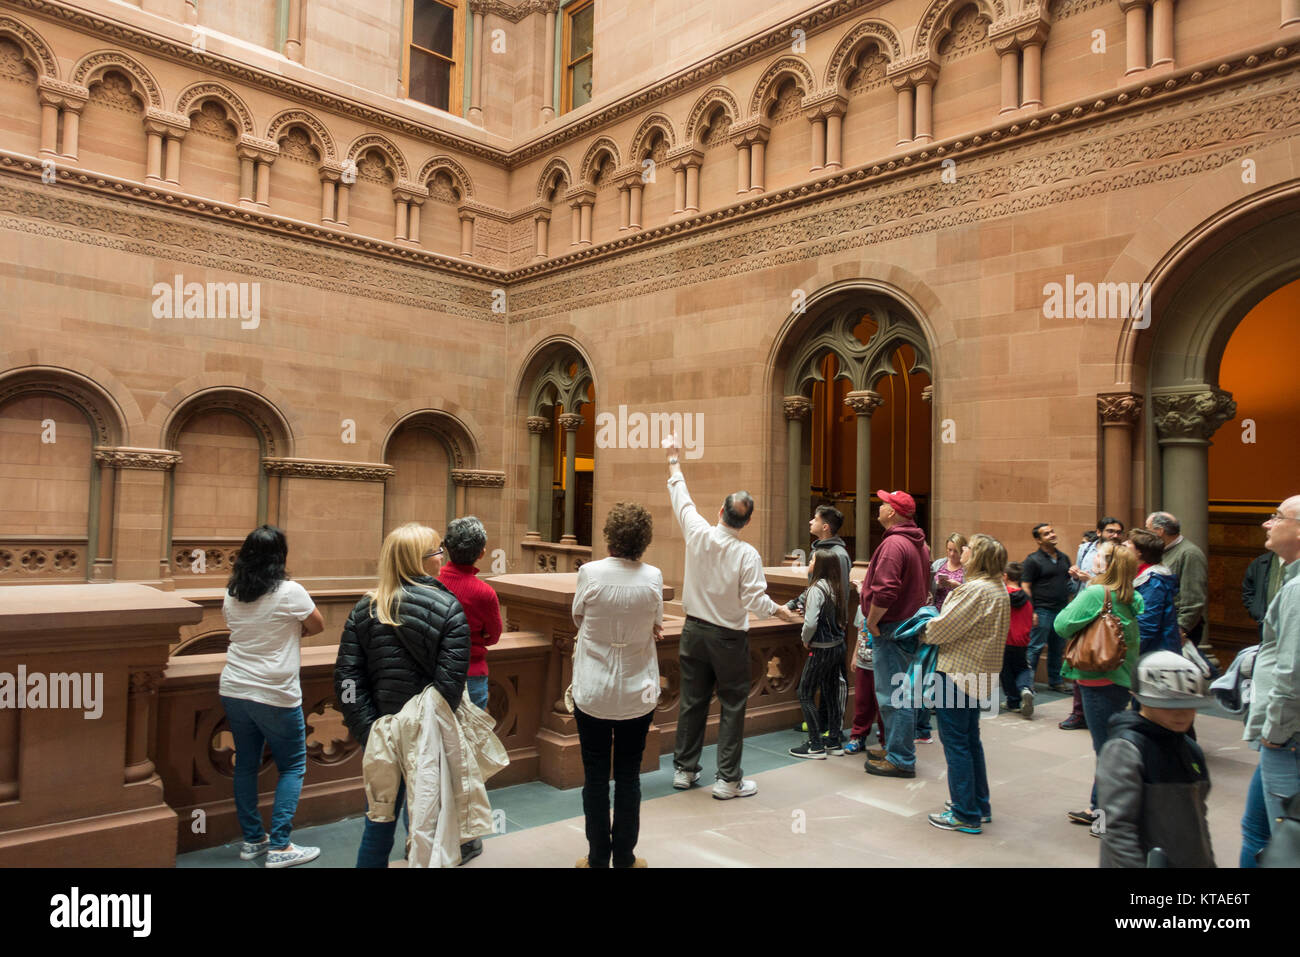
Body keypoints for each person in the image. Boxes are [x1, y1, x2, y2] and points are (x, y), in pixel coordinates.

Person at [665, 435, 800, 799]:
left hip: (693, 631)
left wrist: (674, 459)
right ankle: (727, 780)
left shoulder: (697, 533)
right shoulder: (748, 555)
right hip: (727, 638)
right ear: (747, 520)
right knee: (733, 704)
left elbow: (681, 498)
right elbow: (756, 601)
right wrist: (781, 611)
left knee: (692, 701)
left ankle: (684, 770)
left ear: (721, 513)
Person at [335, 522, 471, 867]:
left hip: (380, 731)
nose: (442, 558)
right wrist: (422, 727)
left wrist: (367, 728)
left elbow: (347, 681)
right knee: (425, 819)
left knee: (379, 819)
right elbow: (450, 687)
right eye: (437, 552)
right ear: (421, 561)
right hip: (426, 736)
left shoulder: (364, 607)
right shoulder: (449, 608)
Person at [219, 525, 325, 868]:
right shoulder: (291, 592)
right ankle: (280, 846)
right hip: (275, 692)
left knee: (246, 765)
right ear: (281, 556)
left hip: (234, 687)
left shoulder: (232, 592)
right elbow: (318, 625)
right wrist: (290, 634)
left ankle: (253, 841)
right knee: (292, 764)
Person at [570, 502, 664, 868]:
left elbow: (579, 616)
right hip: (638, 691)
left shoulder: (590, 573)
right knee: (628, 774)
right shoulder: (653, 576)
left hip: (593, 691)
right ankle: (624, 858)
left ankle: (597, 859)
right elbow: (657, 621)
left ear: (610, 537)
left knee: (594, 777)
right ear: (643, 541)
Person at [1095, 650, 1216, 868]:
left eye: (1189, 705)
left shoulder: (1190, 748)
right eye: (1168, 705)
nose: (1181, 714)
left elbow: (1199, 819)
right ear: (1139, 698)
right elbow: (1113, 828)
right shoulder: (1124, 750)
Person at [923, 534, 1010, 833]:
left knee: (956, 743)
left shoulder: (973, 590)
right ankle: (978, 804)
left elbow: (941, 630)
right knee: (971, 740)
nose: (963, 551)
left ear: (979, 556)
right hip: (981, 674)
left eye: (968, 548)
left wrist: (921, 626)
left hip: (957, 674)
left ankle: (964, 813)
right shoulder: (998, 588)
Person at [1054, 542, 1143, 829]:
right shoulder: (1133, 595)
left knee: (1106, 750)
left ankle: (1108, 819)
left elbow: (1061, 624)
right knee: (1109, 746)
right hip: (1122, 676)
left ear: (1110, 565)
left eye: (1101, 557)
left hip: (1098, 678)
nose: (1095, 560)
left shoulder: (1096, 593)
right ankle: (1097, 808)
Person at [1240, 495, 1300, 866]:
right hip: (1285, 739)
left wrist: (1273, 732)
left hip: (1287, 739)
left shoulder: (1296, 591)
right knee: (1256, 829)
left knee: (1285, 843)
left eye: (1276, 517)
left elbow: (1292, 676)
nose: (1267, 523)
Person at [861, 490, 933, 779]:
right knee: (902, 692)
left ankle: (901, 758)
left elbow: (886, 590)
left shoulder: (894, 545)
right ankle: (894, 747)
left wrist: (872, 621)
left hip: (892, 628)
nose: (878, 506)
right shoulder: (920, 543)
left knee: (894, 695)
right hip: (908, 626)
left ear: (892, 512)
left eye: (883, 503)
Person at [788, 505, 852, 746]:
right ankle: (821, 722)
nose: (809, 522)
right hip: (824, 632)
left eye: (814, 519)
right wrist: (795, 603)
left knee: (830, 682)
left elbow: (841, 592)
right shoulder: (822, 550)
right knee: (824, 680)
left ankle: (827, 729)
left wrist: (839, 622)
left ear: (825, 527)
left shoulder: (837, 554)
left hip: (830, 631)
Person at [438, 516, 503, 712]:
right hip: (472, 673)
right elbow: (493, 636)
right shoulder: (484, 593)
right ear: (482, 553)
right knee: (472, 739)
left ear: (447, 549)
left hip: (435, 672)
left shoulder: (432, 582)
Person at [1021, 523, 1077, 704]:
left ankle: (1055, 681)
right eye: (1047, 534)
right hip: (1042, 610)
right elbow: (1026, 586)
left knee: (1057, 647)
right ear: (1038, 540)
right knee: (1035, 647)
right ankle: (1028, 684)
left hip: (1061, 610)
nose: (1052, 535)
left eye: (1052, 531)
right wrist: (1032, 611)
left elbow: (1068, 582)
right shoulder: (1033, 560)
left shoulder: (1064, 558)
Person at [1145, 511, 1209, 656]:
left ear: (1159, 531)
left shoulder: (1190, 554)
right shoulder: (1161, 551)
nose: (1146, 534)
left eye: (1147, 529)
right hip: (1163, 624)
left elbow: (1194, 597)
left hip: (1178, 629)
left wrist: (1182, 628)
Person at [1125, 528, 1182, 657]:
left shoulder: (1153, 582)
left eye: (1129, 543)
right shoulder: (1139, 575)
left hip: (1155, 653)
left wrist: (1128, 654)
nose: (1123, 545)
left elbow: (1146, 624)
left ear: (1139, 552)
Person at [844, 603, 886, 754]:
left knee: (882, 705)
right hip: (864, 662)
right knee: (862, 702)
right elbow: (860, 632)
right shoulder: (861, 607)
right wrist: (855, 655)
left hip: (882, 664)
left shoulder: (885, 607)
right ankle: (857, 737)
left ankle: (886, 741)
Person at [1001, 561, 1035, 719]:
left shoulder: (1003, 596)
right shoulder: (1027, 598)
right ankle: (1025, 688)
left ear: (1005, 576)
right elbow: (1031, 619)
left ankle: (1013, 701)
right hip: (1022, 640)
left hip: (1005, 640)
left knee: (1006, 671)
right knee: (1022, 668)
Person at [1242, 549, 1283, 639]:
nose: (1269, 534)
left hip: (1290, 627)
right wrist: (1257, 611)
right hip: (1265, 626)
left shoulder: (1295, 562)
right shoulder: (1261, 562)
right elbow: (1248, 590)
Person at [1073, 517, 1124, 584]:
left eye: (1119, 532)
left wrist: (1090, 580)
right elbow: (1076, 582)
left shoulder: (1123, 554)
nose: (1115, 535)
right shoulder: (1085, 548)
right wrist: (1075, 577)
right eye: (1110, 531)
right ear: (1099, 532)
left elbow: (1120, 584)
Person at [931, 533, 967, 612]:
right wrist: (936, 585)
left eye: (956, 551)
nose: (952, 554)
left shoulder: (967, 569)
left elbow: (971, 593)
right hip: (936, 610)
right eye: (949, 550)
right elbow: (928, 588)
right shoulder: (938, 564)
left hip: (956, 611)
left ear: (962, 551)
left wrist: (957, 586)